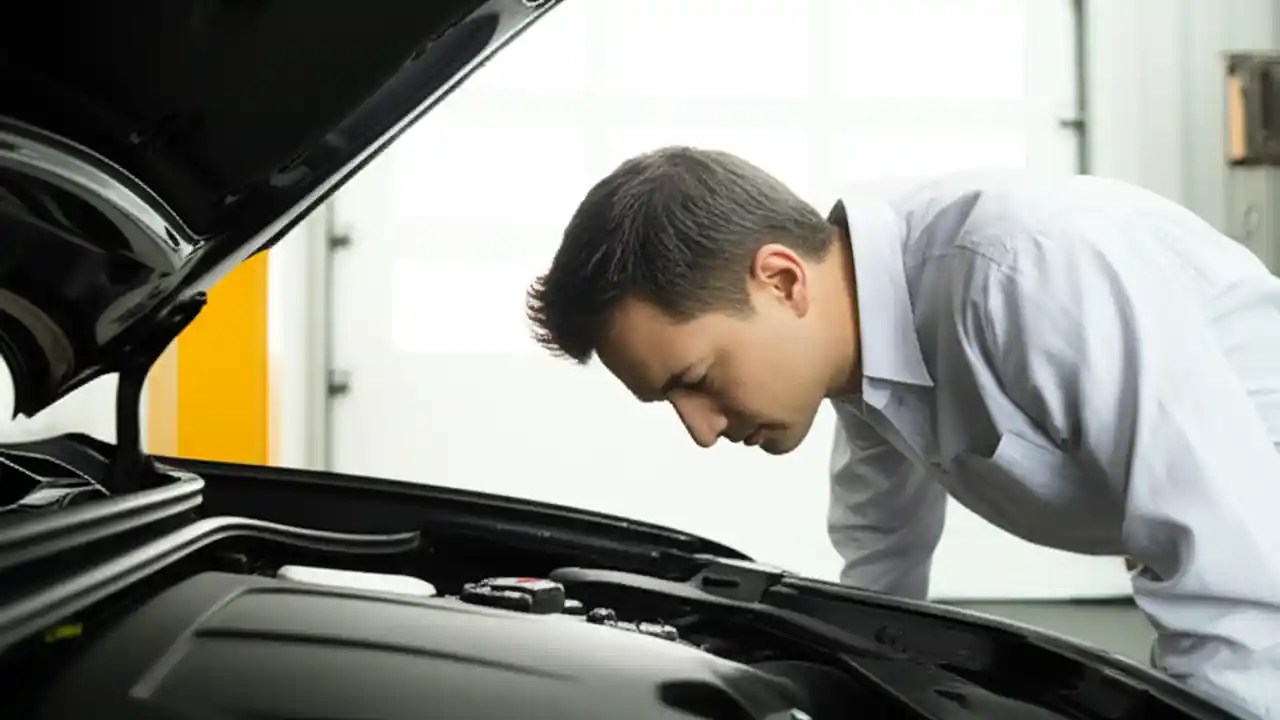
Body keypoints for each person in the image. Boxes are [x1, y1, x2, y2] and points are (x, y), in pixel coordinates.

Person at [524, 146, 1280, 717]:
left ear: (782, 281)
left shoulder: (1025, 274)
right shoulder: (863, 324)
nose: (700, 430)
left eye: (694, 380)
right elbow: (880, 568)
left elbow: (1233, 573)